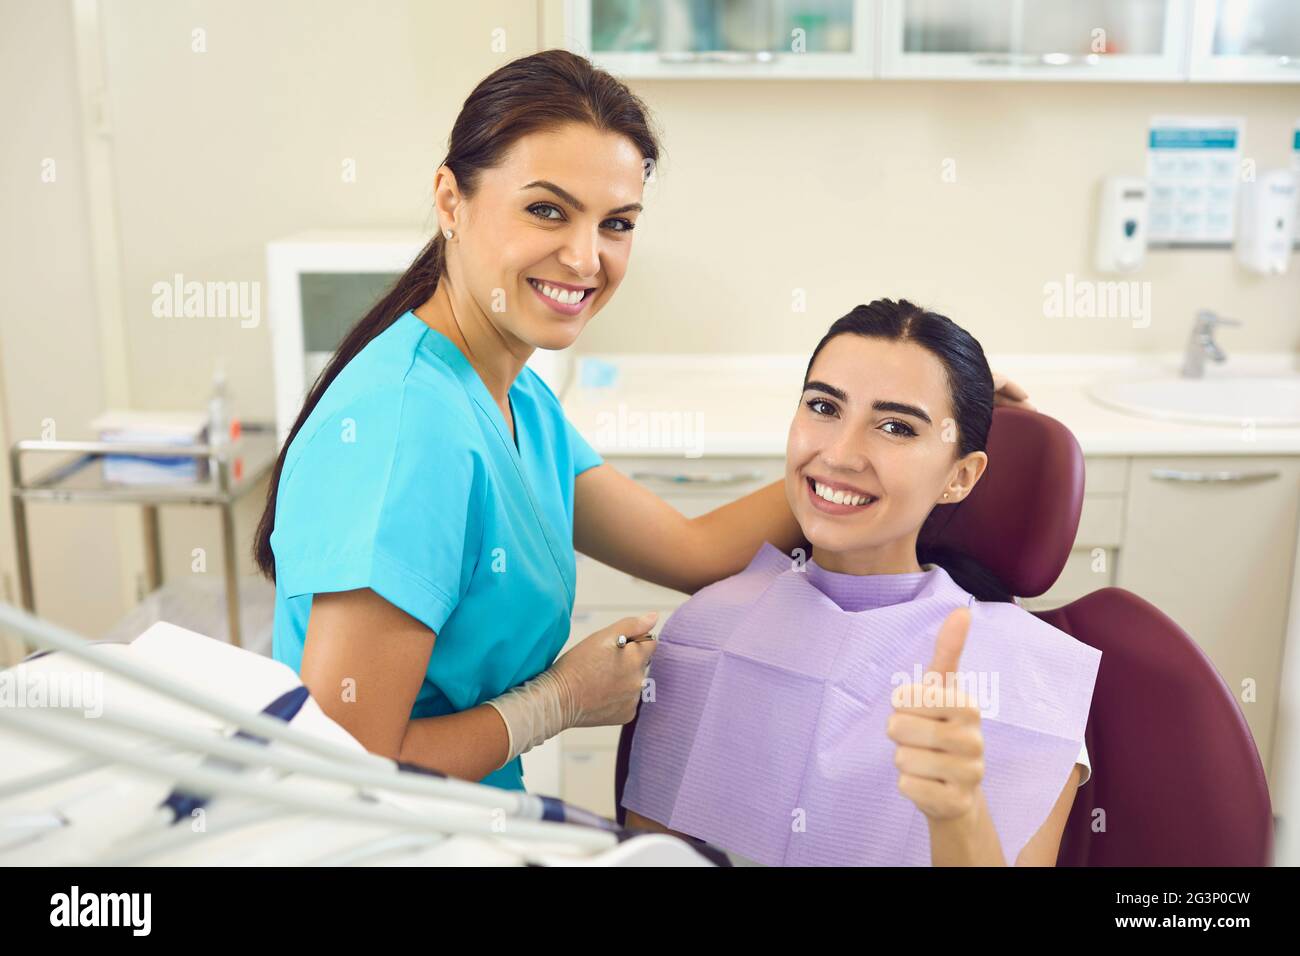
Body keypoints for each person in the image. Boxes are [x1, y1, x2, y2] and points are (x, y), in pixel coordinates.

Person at [252, 51, 1034, 794]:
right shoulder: (405, 430)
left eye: (617, 223)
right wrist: (553, 703)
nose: (586, 258)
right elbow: (343, 765)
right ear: (451, 200)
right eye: (547, 210)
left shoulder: (514, 399)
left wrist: (851, 454)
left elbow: (692, 551)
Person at [621, 299, 1099, 866]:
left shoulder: (1022, 677)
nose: (841, 454)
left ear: (961, 475)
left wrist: (959, 817)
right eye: (824, 406)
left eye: (896, 426)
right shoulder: (708, 628)